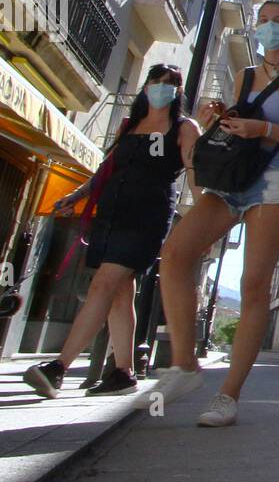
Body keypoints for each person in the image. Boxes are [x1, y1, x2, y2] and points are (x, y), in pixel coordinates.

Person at [150, 0, 279, 427]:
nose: (269, 27)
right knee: (174, 255)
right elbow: (235, 125)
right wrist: (217, 117)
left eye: (278, 21)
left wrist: (265, 127)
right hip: (232, 179)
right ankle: (185, 365)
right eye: (263, 21)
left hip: (272, 181)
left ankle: (227, 396)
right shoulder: (246, 75)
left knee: (253, 286)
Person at [22, 64, 201, 398]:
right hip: (111, 214)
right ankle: (123, 372)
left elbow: (194, 171)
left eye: (172, 84)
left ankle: (58, 368)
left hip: (145, 218)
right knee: (120, 294)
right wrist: (77, 195)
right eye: (157, 81)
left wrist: (202, 217)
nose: (163, 87)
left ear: (179, 92)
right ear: (146, 86)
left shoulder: (183, 127)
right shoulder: (130, 125)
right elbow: (107, 170)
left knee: (103, 284)